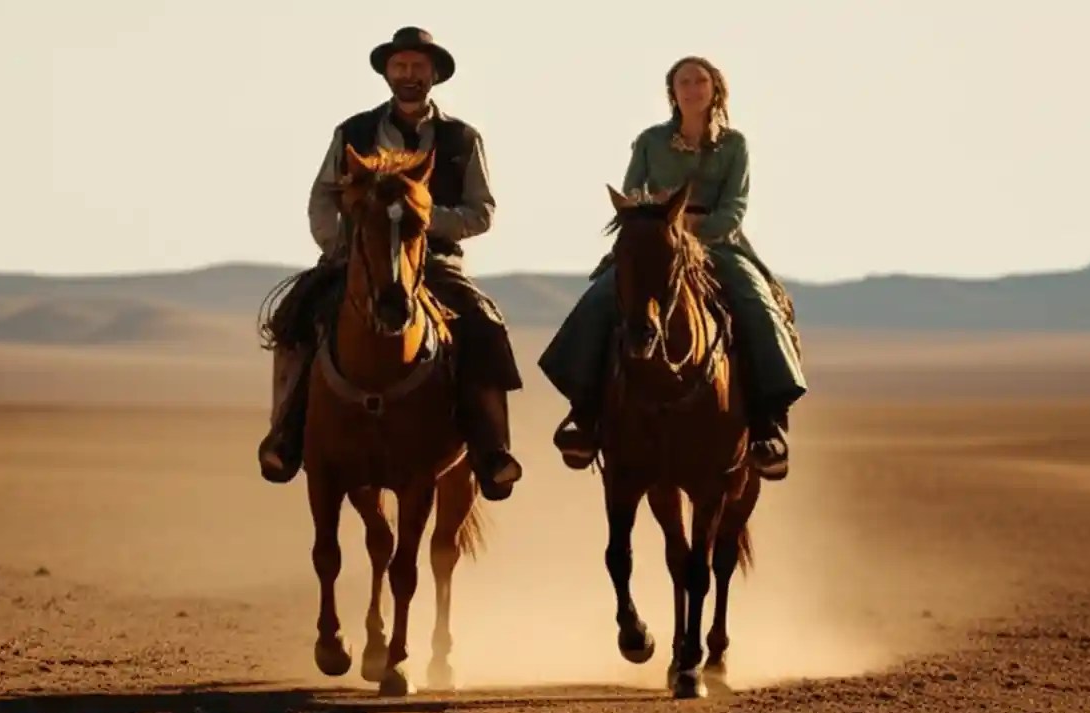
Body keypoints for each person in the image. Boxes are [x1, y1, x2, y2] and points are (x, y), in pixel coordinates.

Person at [257, 27, 523, 502]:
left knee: (483, 325)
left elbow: (481, 210)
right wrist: (339, 244)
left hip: (433, 260)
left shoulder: (462, 138)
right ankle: (286, 433)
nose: (409, 75)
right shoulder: (352, 133)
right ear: (386, 73)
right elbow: (323, 196)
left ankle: (491, 451)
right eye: (400, 66)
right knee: (293, 317)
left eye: (418, 67)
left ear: (434, 74)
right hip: (355, 256)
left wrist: (418, 222)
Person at [537, 55, 807, 480]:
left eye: (701, 81)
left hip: (717, 244)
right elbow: (632, 192)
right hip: (654, 241)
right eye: (684, 81)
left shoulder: (734, 145)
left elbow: (735, 206)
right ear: (673, 91)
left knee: (756, 301)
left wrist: (694, 231)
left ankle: (766, 421)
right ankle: (584, 412)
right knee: (603, 296)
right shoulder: (649, 142)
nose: (693, 88)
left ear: (715, 89)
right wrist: (656, 220)